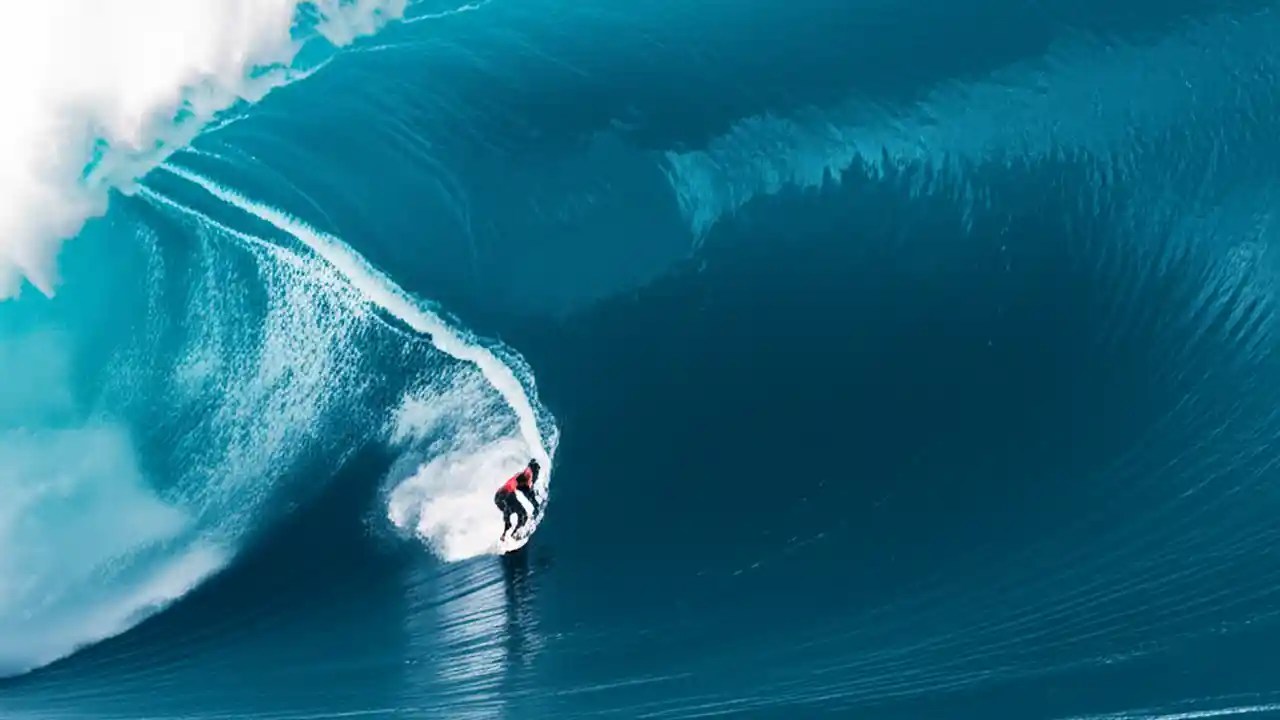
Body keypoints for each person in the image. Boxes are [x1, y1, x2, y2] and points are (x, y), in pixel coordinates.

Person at [496, 459, 541, 541]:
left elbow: (526, 489)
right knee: (523, 515)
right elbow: (527, 485)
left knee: (511, 512)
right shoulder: (528, 474)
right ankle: (514, 535)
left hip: (499, 496)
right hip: (506, 494)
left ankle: (505, 535)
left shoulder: (522, 477)